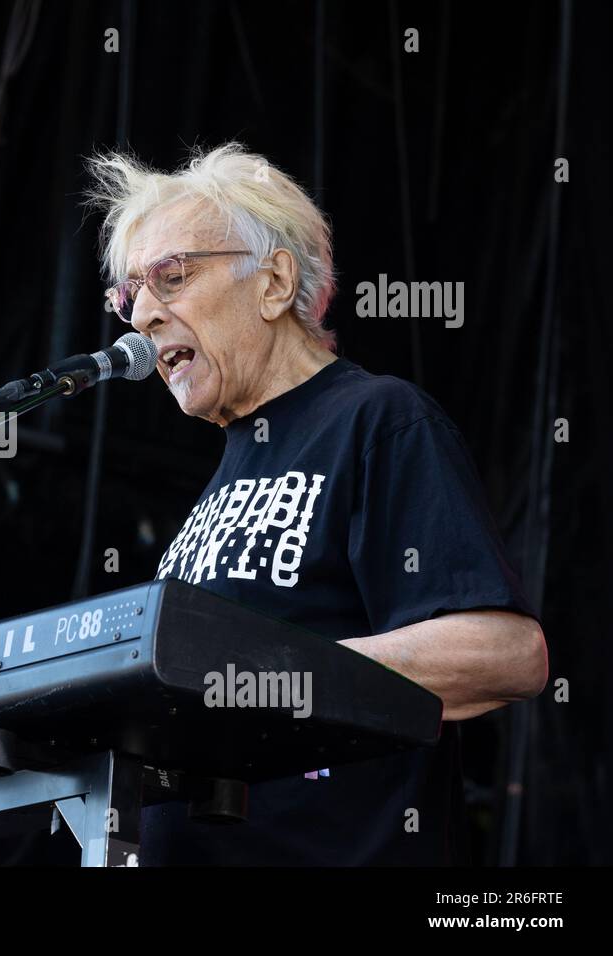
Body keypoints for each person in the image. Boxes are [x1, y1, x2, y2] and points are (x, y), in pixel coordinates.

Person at [88, 143, 548, 864]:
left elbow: (505, 655)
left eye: (171, 277)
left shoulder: (378, 420)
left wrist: (258, 680)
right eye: (128, 295)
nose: (142, 314)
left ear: (273, 282)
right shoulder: (220, 479)